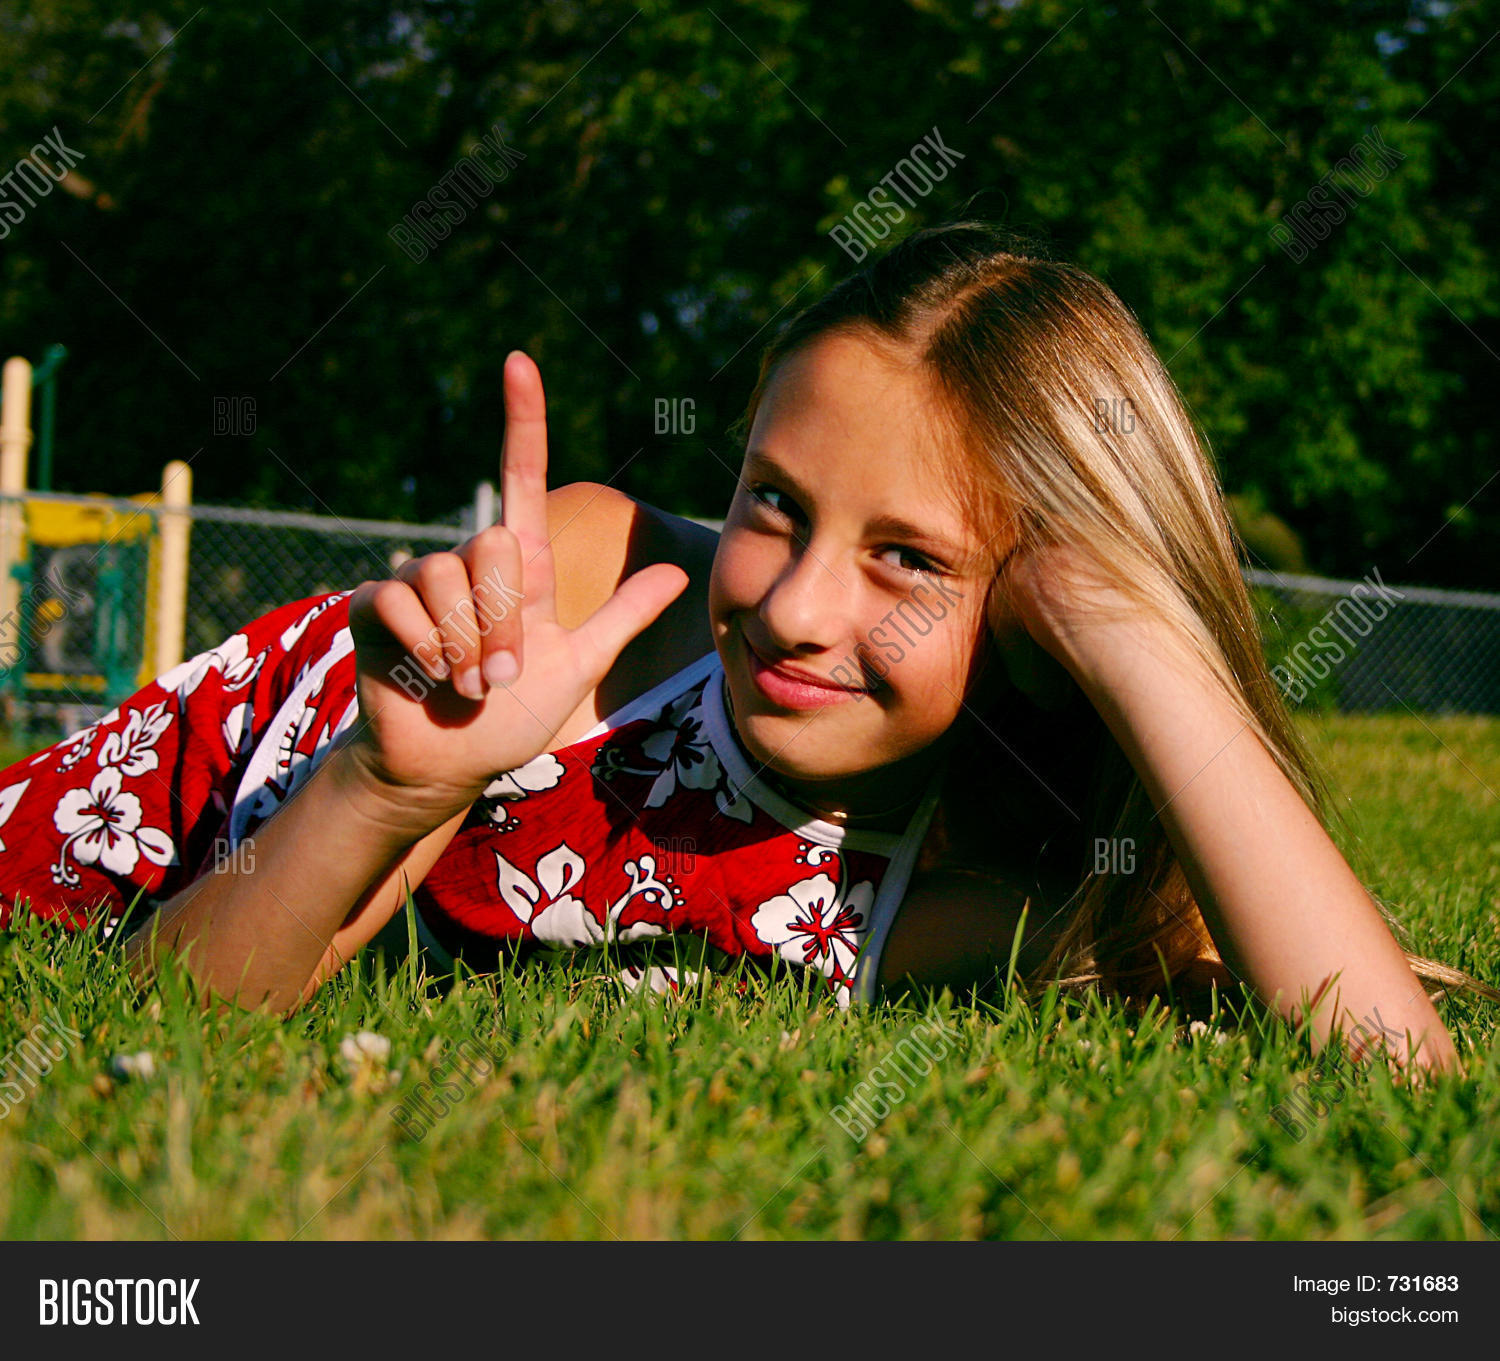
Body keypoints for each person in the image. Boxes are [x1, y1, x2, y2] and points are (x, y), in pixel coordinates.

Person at [0, 222, 1486, 1077]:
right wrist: (383, 788)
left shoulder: (950, 897)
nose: (791, 608)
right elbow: (147, 1018)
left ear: (1047, 608)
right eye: (776, 502)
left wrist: (1140, 635)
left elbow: (1388, 1063)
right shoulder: (585, 594)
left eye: (908, 556)